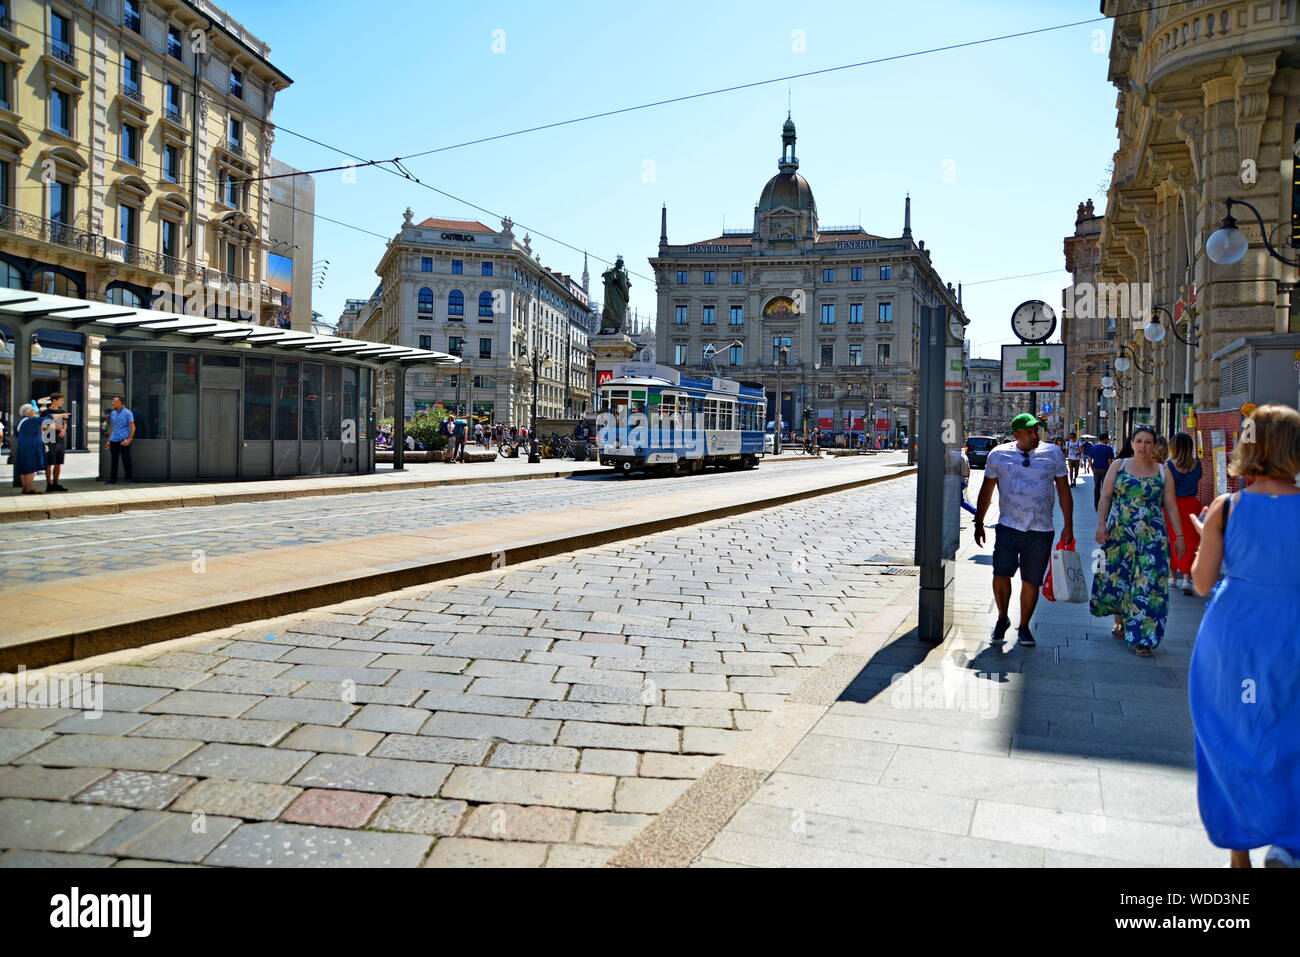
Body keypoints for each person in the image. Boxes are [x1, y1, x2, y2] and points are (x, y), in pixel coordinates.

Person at [1187, 404, 1300, 869]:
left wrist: (1207, 539)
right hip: (1291, 631)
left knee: (1232, 732)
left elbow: (1200, 581)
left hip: (1233, 636)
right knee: (1288, 731)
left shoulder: (1227, 507)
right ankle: (1288, 841)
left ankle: (1240, 853)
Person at [973, 412, 1073, 647]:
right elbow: (986, 491)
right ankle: (1002, 618)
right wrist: (979, 522)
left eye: (1036, 430)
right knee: (1001, 573)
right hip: (1008, 525)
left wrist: (1068, 525)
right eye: (1029, 432)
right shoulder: (998, 454)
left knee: (1031, 579)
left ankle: (1025, 626)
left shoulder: (1053, 453)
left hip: (1041, 529)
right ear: (1016, 434)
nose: (1035, 435)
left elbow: (1064, 491)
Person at [1089, 425, 1184, 656]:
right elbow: (1106, 496)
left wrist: (1179, 535)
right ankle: (1120, 619)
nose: (1143, 446)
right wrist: (1101, 524)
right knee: (1120, 578)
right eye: (1139, 441)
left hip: (1153, 538)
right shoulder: (1118, 466)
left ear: (1155, 445)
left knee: (1149, 584)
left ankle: (1144, 637)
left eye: (1148, 442)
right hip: (1120, 533)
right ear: (1132, 443)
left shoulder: (1164, 471)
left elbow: (1171, 505)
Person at [1164, 432, 1203, 595]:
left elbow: (1169, 492)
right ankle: (1187, 579)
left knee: (1174, 539)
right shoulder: (1198, 464)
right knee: (1192, 541)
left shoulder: (1169, 465)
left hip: (1175, 506)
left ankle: (1173, 577)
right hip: (1193, 505)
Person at [40, 393, 71, 492]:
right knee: (49, 463)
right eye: (61, 400)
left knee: (58, 462)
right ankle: (49, 485)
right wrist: (52, 426)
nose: (62, 402)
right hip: (49, 437)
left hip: (59, 438)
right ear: (54, 400)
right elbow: (42, 426)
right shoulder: (45, 412)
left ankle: (56, 483)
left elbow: (65, 423)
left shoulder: (62, 411)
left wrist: (64, 430)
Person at [14, 403, 46, 494]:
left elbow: (17, 434)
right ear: (28, 412)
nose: (34, 411)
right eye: (32, 410)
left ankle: (24, 487)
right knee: (31, 467)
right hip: (32, 447)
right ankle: (29, 488)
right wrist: (44, 411)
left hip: (22, 446)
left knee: (24, 467)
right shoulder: (31, 420)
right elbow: (48, 419)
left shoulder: (20, 421)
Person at [106, 396, 135, 484]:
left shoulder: (128, 413)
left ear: (120, 403)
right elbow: (112, 427)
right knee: (114, 460)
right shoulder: (113, 413)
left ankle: (128, 478)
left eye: (114, 402)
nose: (112, 403)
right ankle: (113, 479)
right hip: (114, 440)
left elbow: (133, 427)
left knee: (126, 459)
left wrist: (129, 439)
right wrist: (108, 440)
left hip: (124, 440)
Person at [1087, 433, 1116, 511]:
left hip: (1096, 469)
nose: (1108, 441)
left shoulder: (1094, 447)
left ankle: (1096, 505)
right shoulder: (1109, 449)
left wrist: (1092, 468)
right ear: (1105, 439)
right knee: (1105, 488)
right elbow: (1109, 461)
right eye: (1108, 439)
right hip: (1105, 470)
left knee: (1096, 487)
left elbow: (1089, 459)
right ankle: (1104, 505)